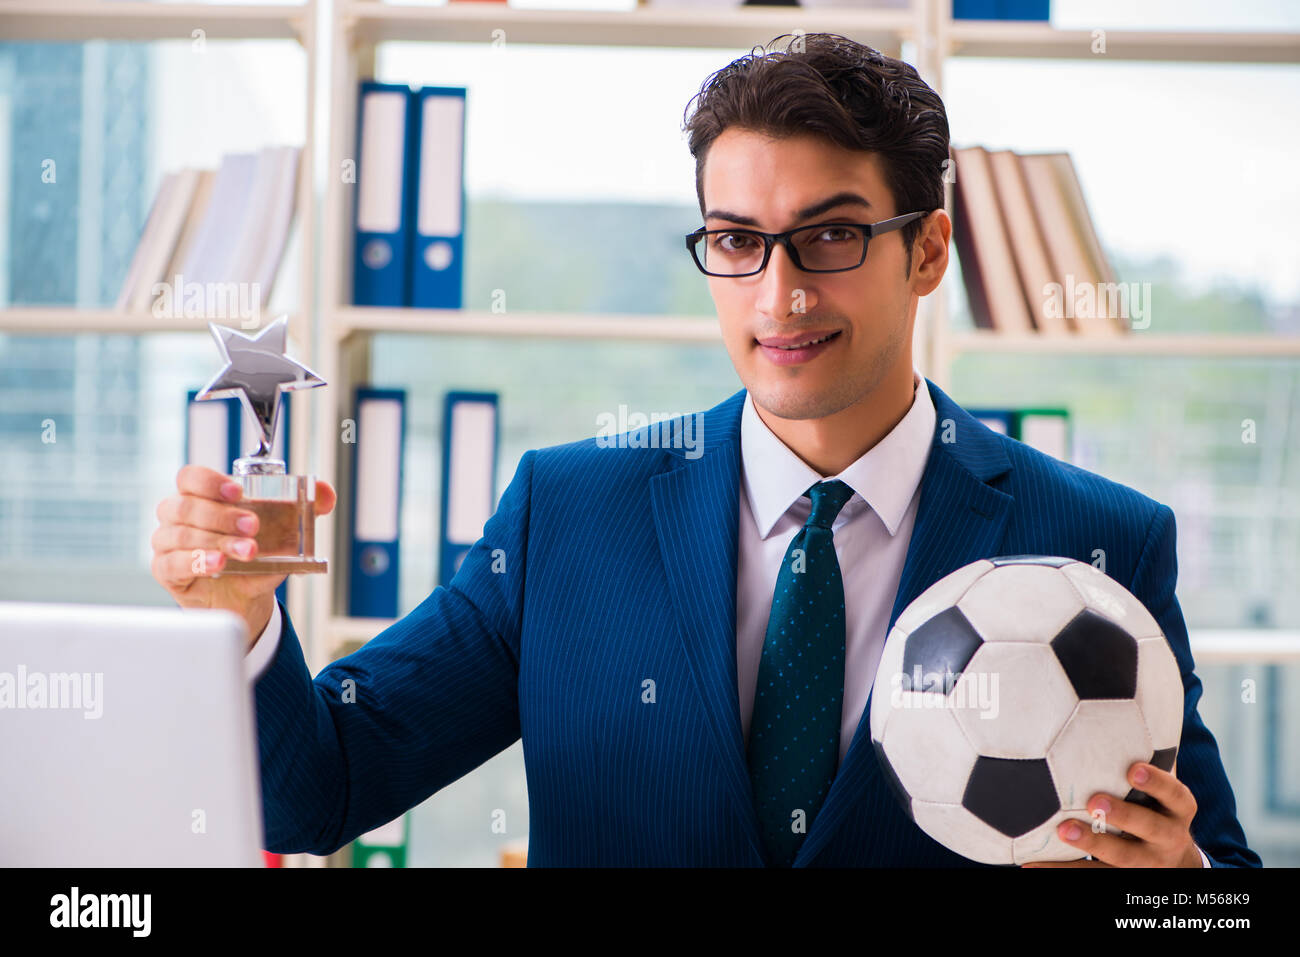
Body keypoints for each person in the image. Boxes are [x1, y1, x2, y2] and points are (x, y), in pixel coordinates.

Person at [150, 34, 1259, 868]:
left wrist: (1175, 883)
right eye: (735, 240)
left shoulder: (1099, 541)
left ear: (926, 251)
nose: (778, 294)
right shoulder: (565, 516)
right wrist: (242, 623)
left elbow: (1218, 883)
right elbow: (321, 790)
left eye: (829, 236)